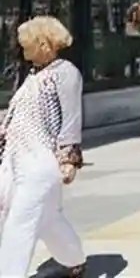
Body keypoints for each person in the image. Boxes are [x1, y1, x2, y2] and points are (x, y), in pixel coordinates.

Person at [0, 17, 86, 278]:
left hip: (40, 162)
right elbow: (21, 115)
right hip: (15, 158)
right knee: (48, 221)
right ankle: (76, 258)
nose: (22, 49)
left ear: (43, 44)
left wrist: (68, 159)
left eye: (26, 44)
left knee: (19, 224)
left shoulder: (65, 73)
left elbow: (71, 118)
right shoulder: (34, 74)